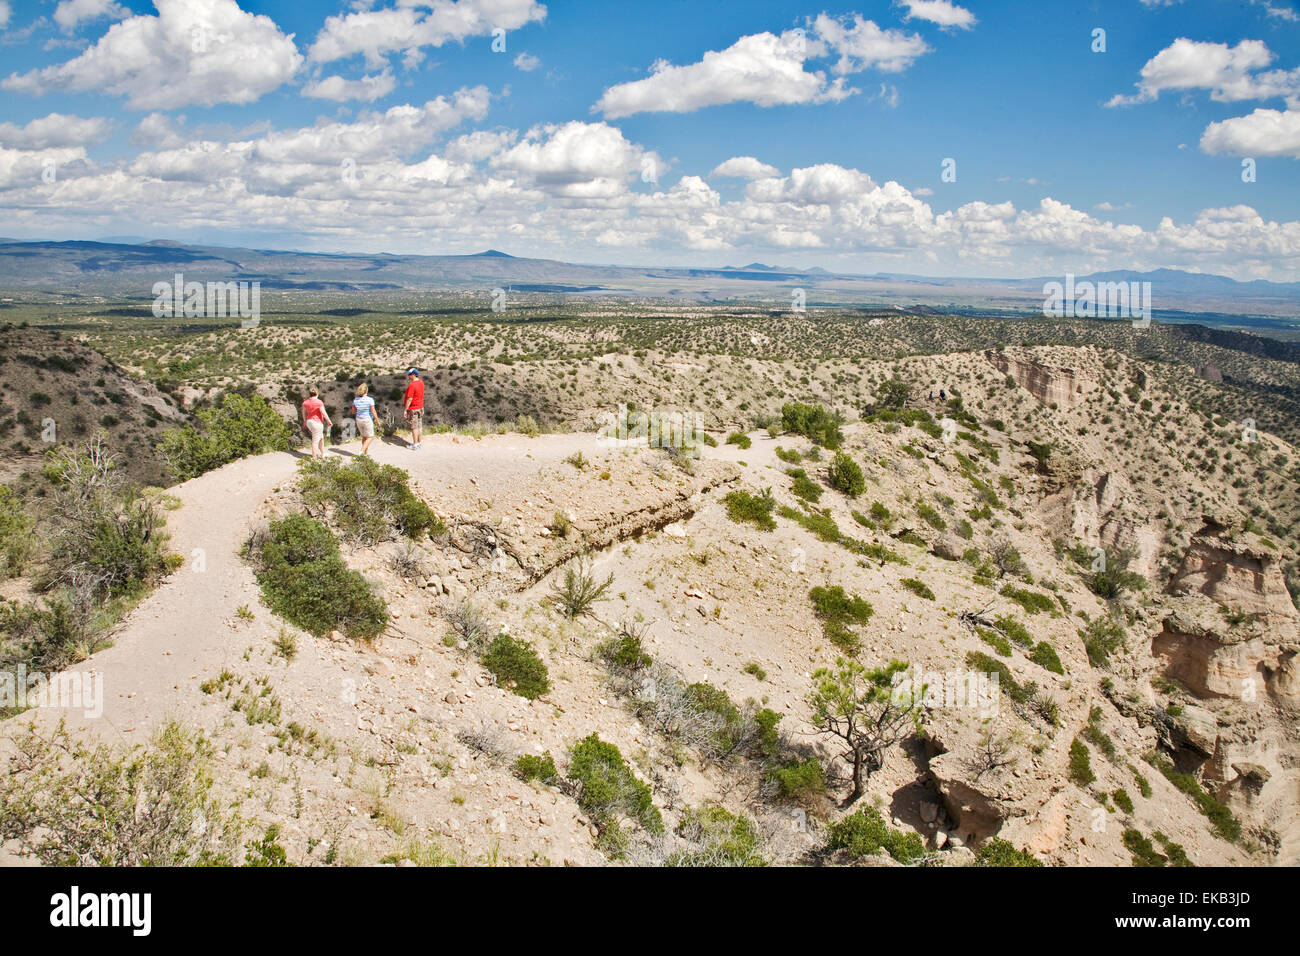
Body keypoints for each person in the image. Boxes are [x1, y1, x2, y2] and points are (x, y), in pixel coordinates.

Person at [302, 387, 332, 459]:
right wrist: (328, 421)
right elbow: (323, 413)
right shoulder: (319, 402)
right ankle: (314, 457)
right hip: (317, 422)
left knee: (321, 438)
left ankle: (323, 453)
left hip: (309, 421)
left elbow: (303, 413)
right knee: (315, 440)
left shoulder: (305, 402)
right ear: (317, 393)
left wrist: (305, 421)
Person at [403, 367, 425, 449]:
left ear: (413, 375)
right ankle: (419, 443)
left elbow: (409, 398)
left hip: (413, 408)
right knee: (419, 426)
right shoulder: (421, 382)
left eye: (409, 374)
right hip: (420, 407)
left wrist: (405, 409)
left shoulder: (412, 385)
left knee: (414, 427)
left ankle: (415, 444)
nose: (408, 376)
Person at [352, 383, 377, 455]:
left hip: (359, 419)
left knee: (364, 437)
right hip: (367, 419)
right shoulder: (370, 400)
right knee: (370, 437)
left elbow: (353, 411)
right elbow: (373, 411)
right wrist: (377, 420)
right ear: (366, 391)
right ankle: (361, 451)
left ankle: (365, 454)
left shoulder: (355, 400)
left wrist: (360, 408)